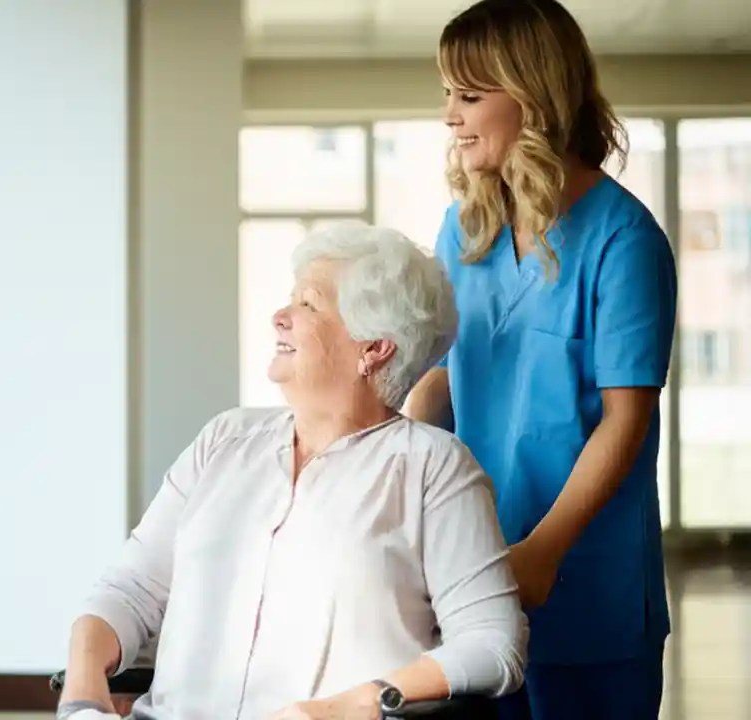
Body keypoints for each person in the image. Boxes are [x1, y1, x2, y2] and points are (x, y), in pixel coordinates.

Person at [58, 222, 526, 720]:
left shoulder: (433, 468)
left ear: (374, 347)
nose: (280, 317)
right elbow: (131, 589)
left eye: (308, 304)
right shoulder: (224, 440)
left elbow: (493, 642)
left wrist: (352, 705)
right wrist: (83, 695)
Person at [403, 1, 678, 719]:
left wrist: (543, 552)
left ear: (531, 97)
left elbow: (626, 420)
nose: (450, 117)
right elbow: (443, 377)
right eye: (447, 96)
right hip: (472, 574)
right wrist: (396, 464)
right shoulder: (466, 229)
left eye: (468, 96)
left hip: (586, 580)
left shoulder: (623, 240)